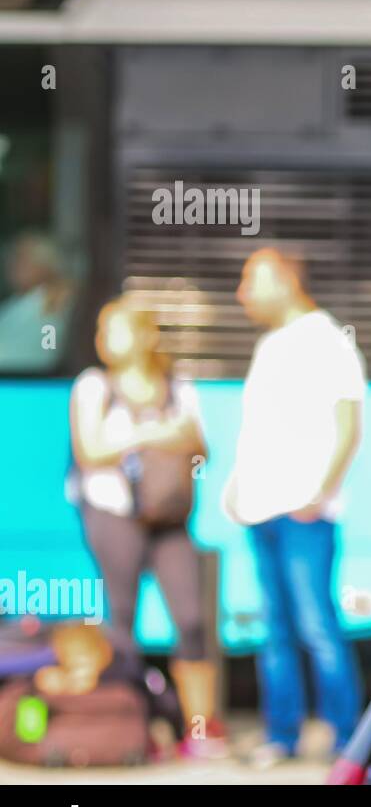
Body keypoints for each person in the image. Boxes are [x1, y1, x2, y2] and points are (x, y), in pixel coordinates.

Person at [224, 248, 364, 767]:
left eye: (250, 280)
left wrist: (317, 495)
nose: (243, 294)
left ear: (284, 280)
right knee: (276, 630)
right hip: (263, 512)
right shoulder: (268, 346)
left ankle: (348, 739)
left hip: (305, 516)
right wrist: (240, 488)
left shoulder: (328, 341)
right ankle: (281, 736)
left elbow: (349, 428)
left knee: (317, 627)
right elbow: (262, 432)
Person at [69, 298, 222, 757]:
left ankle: (198, 731)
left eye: (110, 329)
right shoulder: (93, 386)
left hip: (169, 518)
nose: (102, 340)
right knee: (122, 620)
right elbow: (89, 453)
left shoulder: (178, 386)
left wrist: (139, 435)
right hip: (113, 515)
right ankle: (135, 728)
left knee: (192, 620)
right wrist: (153, 433)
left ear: (142, 334)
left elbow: (199, 446)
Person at [0, 231, 75, 372]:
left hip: (30, 380)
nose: (14, 265)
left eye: (23, 259)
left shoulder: (54, 302)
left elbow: (48, 352)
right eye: (13, 258)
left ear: (45, 264)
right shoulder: (15, 301)